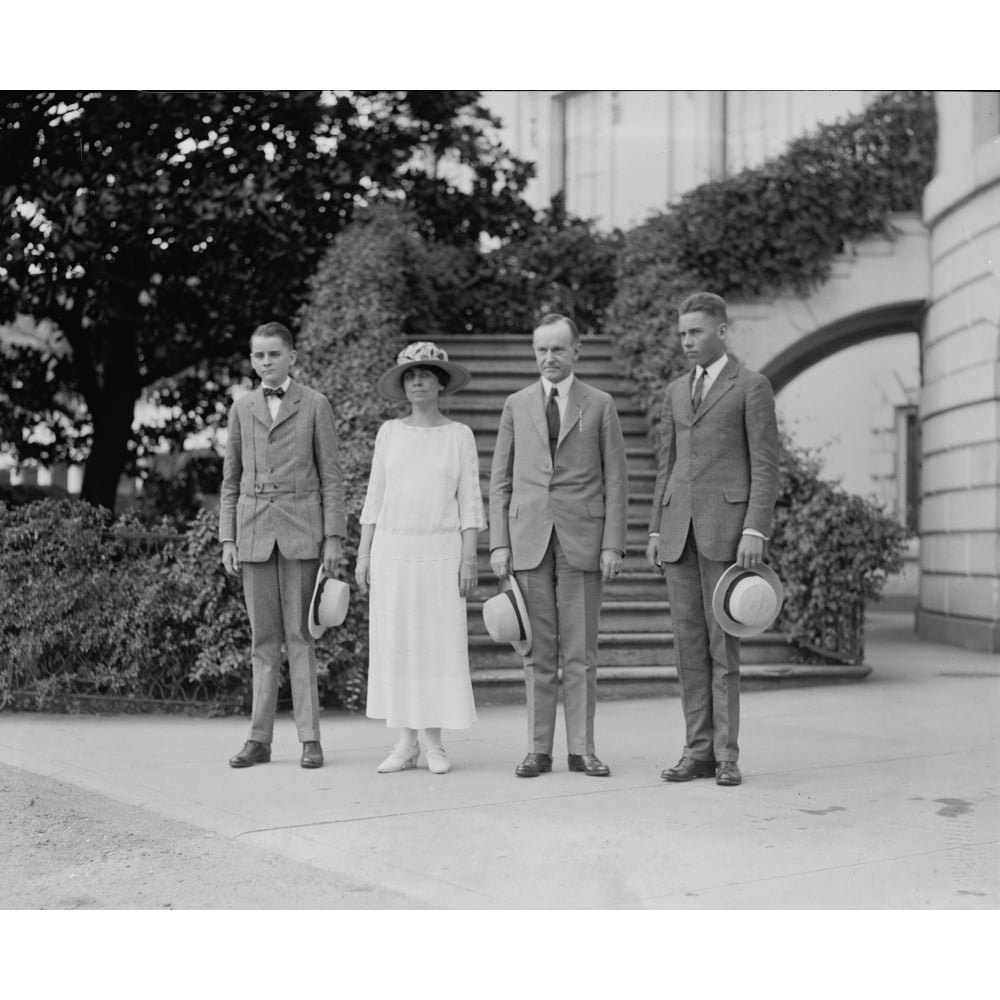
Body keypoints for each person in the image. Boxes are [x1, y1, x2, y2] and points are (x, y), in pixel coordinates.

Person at [645, 292, 779, 787]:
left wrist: (754, 528)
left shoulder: (752, 387)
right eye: (682, 334)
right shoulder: (676, 391)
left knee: (724, 648)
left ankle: (726, 755)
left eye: (696, 332)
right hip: (679, 532)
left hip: (728, 533)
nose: (687, 342)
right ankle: (695, 750)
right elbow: (668, 464)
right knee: (688, 647)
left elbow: (765, 464)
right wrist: (657, 527)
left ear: (722, 331)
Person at [489, 314, 628, 778]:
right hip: (528, 539)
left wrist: (612, 544)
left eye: (557, 350)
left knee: (581, 652)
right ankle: (537, 750)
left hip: (582, 541)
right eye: (541, 350)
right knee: (536, 652)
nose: (548, 358)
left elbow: (616, 480)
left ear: (576, 352)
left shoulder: (600, 404)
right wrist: (498, 544)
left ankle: (582, 750)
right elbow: (500, 481)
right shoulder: (516, 404)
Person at [220, 321, 346, 769]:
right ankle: (259, 739)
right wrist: (228, 537)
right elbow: (230, 479)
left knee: (301, 638)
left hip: (301, 533)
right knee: (263, 641)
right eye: (258, 355)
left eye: (274, 354)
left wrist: (333, 536)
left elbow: (331, 475)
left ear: (292, 356)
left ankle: (310, 739)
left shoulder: (314, 404)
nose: (266, 362)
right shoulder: (241, 408)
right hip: (254, 535)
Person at [356, 342, 485, 775]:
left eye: (425, 374)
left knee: (438, 645)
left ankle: (435, 744)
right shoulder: (390, 433)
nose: (417, 382)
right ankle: (404, 743)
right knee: (399, 644)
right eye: (410, 375)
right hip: (394, 552)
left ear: (440, 382)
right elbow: (375, 497)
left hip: (441, 552)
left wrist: (469, 560)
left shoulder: (458, 435)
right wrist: (364, 554)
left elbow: (469, 501)